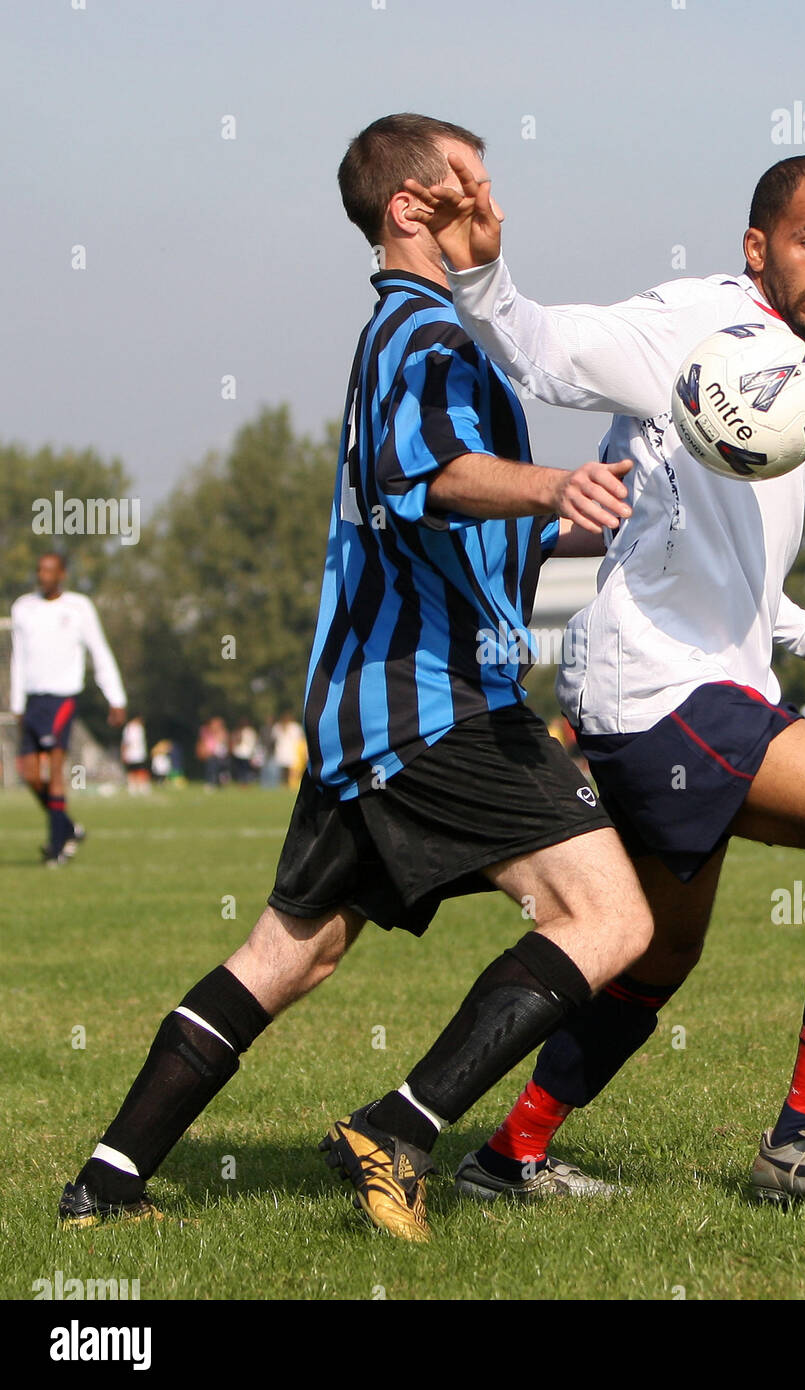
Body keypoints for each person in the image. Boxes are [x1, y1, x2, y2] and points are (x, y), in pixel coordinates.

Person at [58, 113, 653, 1242]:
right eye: (473, 184)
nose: (498, 207)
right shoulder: (420, 330)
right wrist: (550, 485)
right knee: (610, 915)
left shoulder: (423, 334)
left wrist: (604, 509)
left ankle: (103, 1185)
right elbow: (419, 473)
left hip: (374, 707)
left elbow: (456, 513)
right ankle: (405, 1123)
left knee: (295, 949)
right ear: (410, 208)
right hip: (431, 706)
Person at [407, 151, 805, 1207]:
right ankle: (803, 1140)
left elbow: (706, 542)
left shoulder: (782, 364)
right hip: (663, 691)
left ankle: (507, 1156)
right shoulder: (693, 323)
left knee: (653, 956)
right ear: (756, 246)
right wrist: (480, 277)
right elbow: (548, 351)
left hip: (680, 683)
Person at [10, 551, 127, 864]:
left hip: (62, 698)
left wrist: (116, 698)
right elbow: (18, 659)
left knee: (55, 767)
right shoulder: (23, 607)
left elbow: (99, 652)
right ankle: (68, 827)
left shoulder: (78, 607)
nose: (43, 575)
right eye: (40, 569)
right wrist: (17, 703)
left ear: (62, 574)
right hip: (33, 700)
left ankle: (56, 845)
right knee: (31, 773)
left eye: (50, 570)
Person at [121, 714, 150, 794]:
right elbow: (126, 742)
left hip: (140, 753)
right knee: (132, 770)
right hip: (131, 753)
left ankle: (142, 786)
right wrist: (124, 753)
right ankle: (132, 787)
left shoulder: (140, 728)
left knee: (141, 769)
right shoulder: (129, 728)